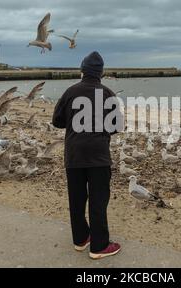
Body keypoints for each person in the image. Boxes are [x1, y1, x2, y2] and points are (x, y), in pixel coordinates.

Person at [52, 51, 122, 259]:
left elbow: (57, 121)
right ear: (101, 73)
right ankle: (99, 246)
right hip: (98, 155)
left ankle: (81, 239)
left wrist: (74, 123)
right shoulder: (108, 93)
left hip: (74, 154)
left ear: (82, 71)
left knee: (77, 198)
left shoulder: (70, 92)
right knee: (98, 200)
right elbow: (117, 126)